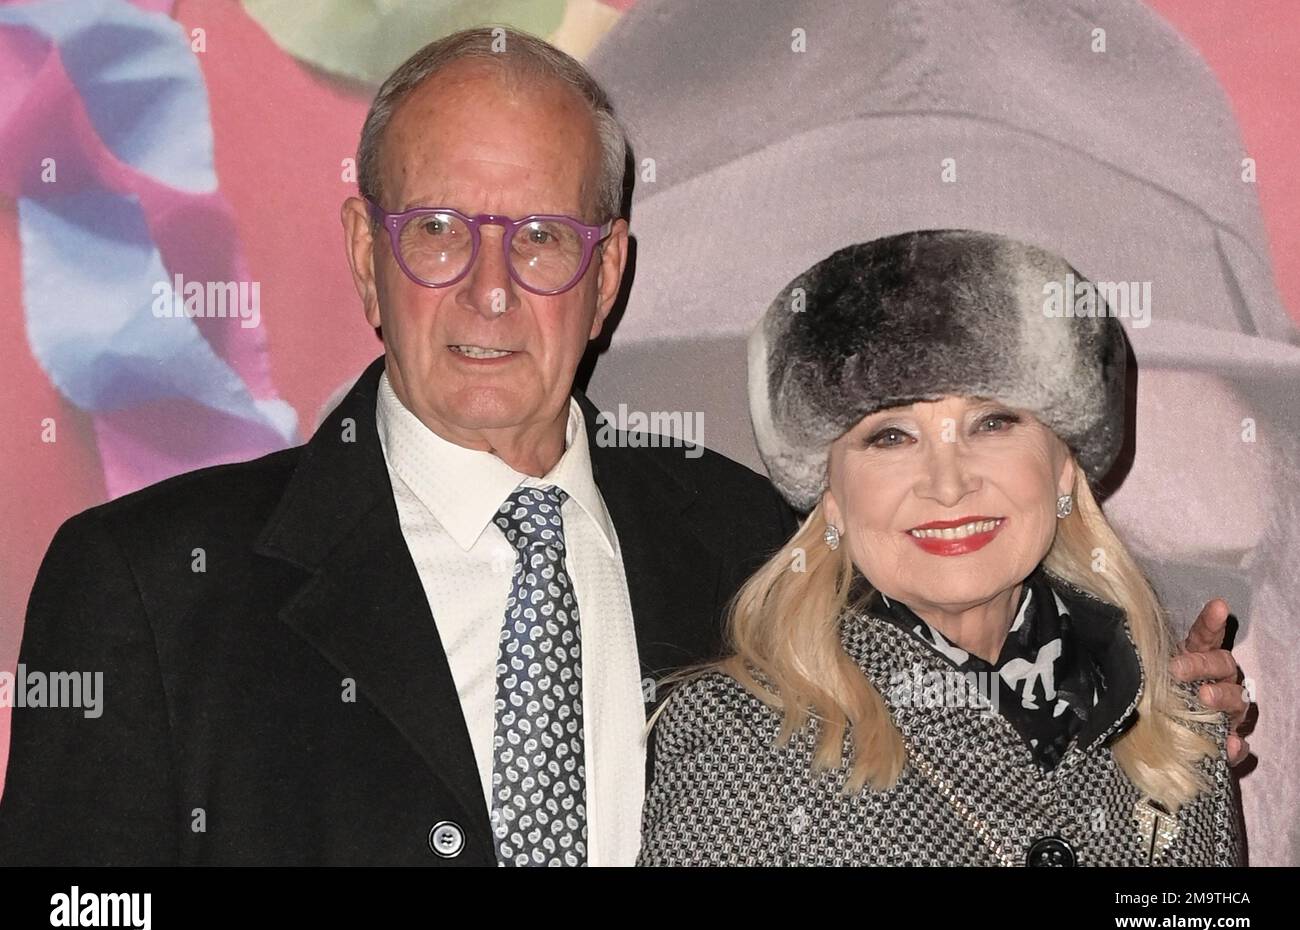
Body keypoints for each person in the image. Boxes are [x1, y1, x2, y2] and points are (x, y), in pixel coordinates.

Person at [0, 29, 1242, 867]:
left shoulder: (756, 542)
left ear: (608, 279)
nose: (489, 290)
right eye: (437, 228)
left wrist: (1147, 692)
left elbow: (980, 673)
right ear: (364, 252)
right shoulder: (152, 583)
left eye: (541, 237)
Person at [639, 230, 1245, 866]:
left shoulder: (1172, 735)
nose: (949, 484)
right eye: (892, 436)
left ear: (1064, 467)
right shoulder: (740, 742)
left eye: (992, 422)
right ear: (831, 495)